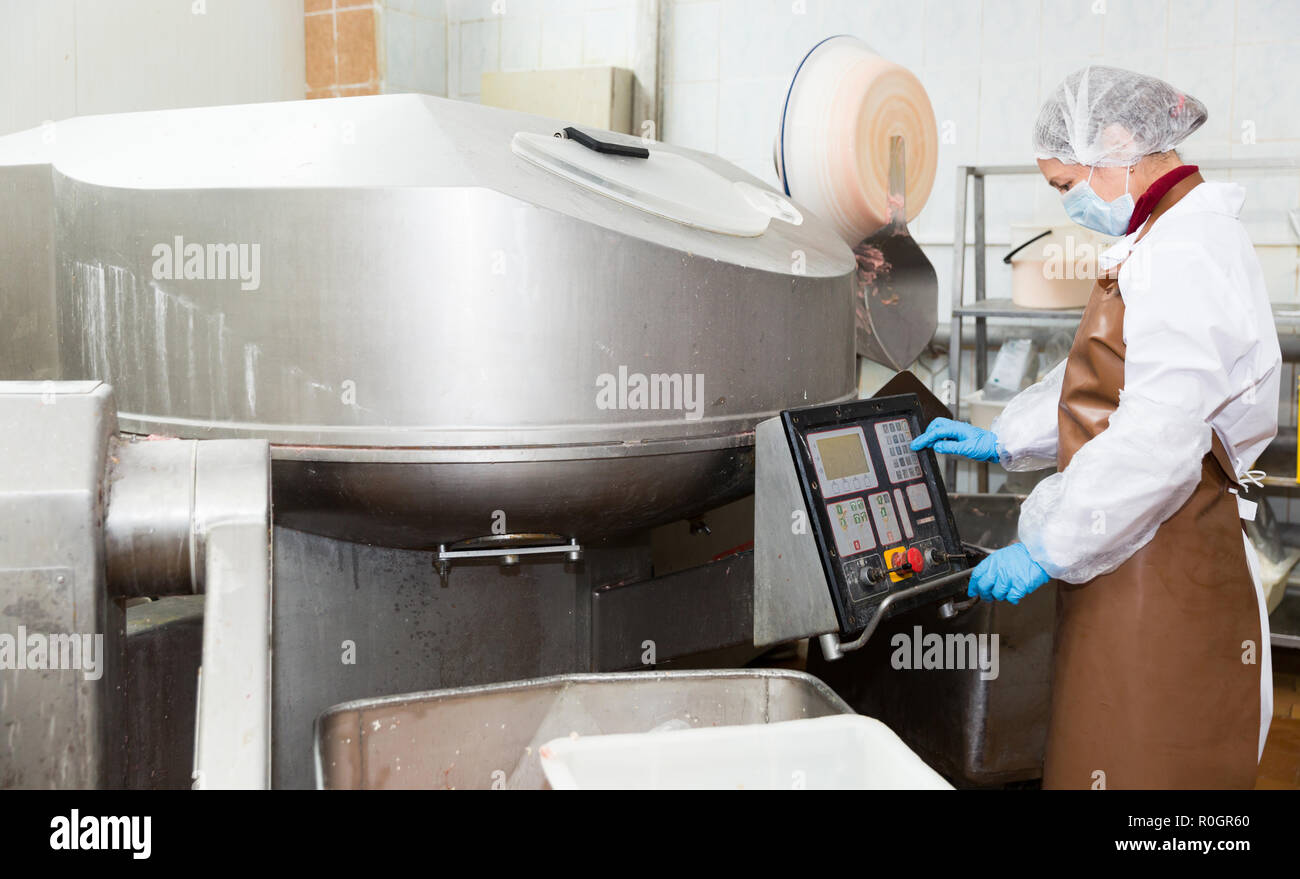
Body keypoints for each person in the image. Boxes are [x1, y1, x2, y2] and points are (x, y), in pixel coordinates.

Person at [911, 66, 1279, 789]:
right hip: (1130, 549)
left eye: (1063, 184)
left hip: (1162, 558)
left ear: (1118, 144)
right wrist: (1007, 434)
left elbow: (1158, 442)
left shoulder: (1186, 251)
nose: (1068, 202)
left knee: (1152, 771)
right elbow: (1110, 381)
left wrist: (1046, 544)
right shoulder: (1160, 237)